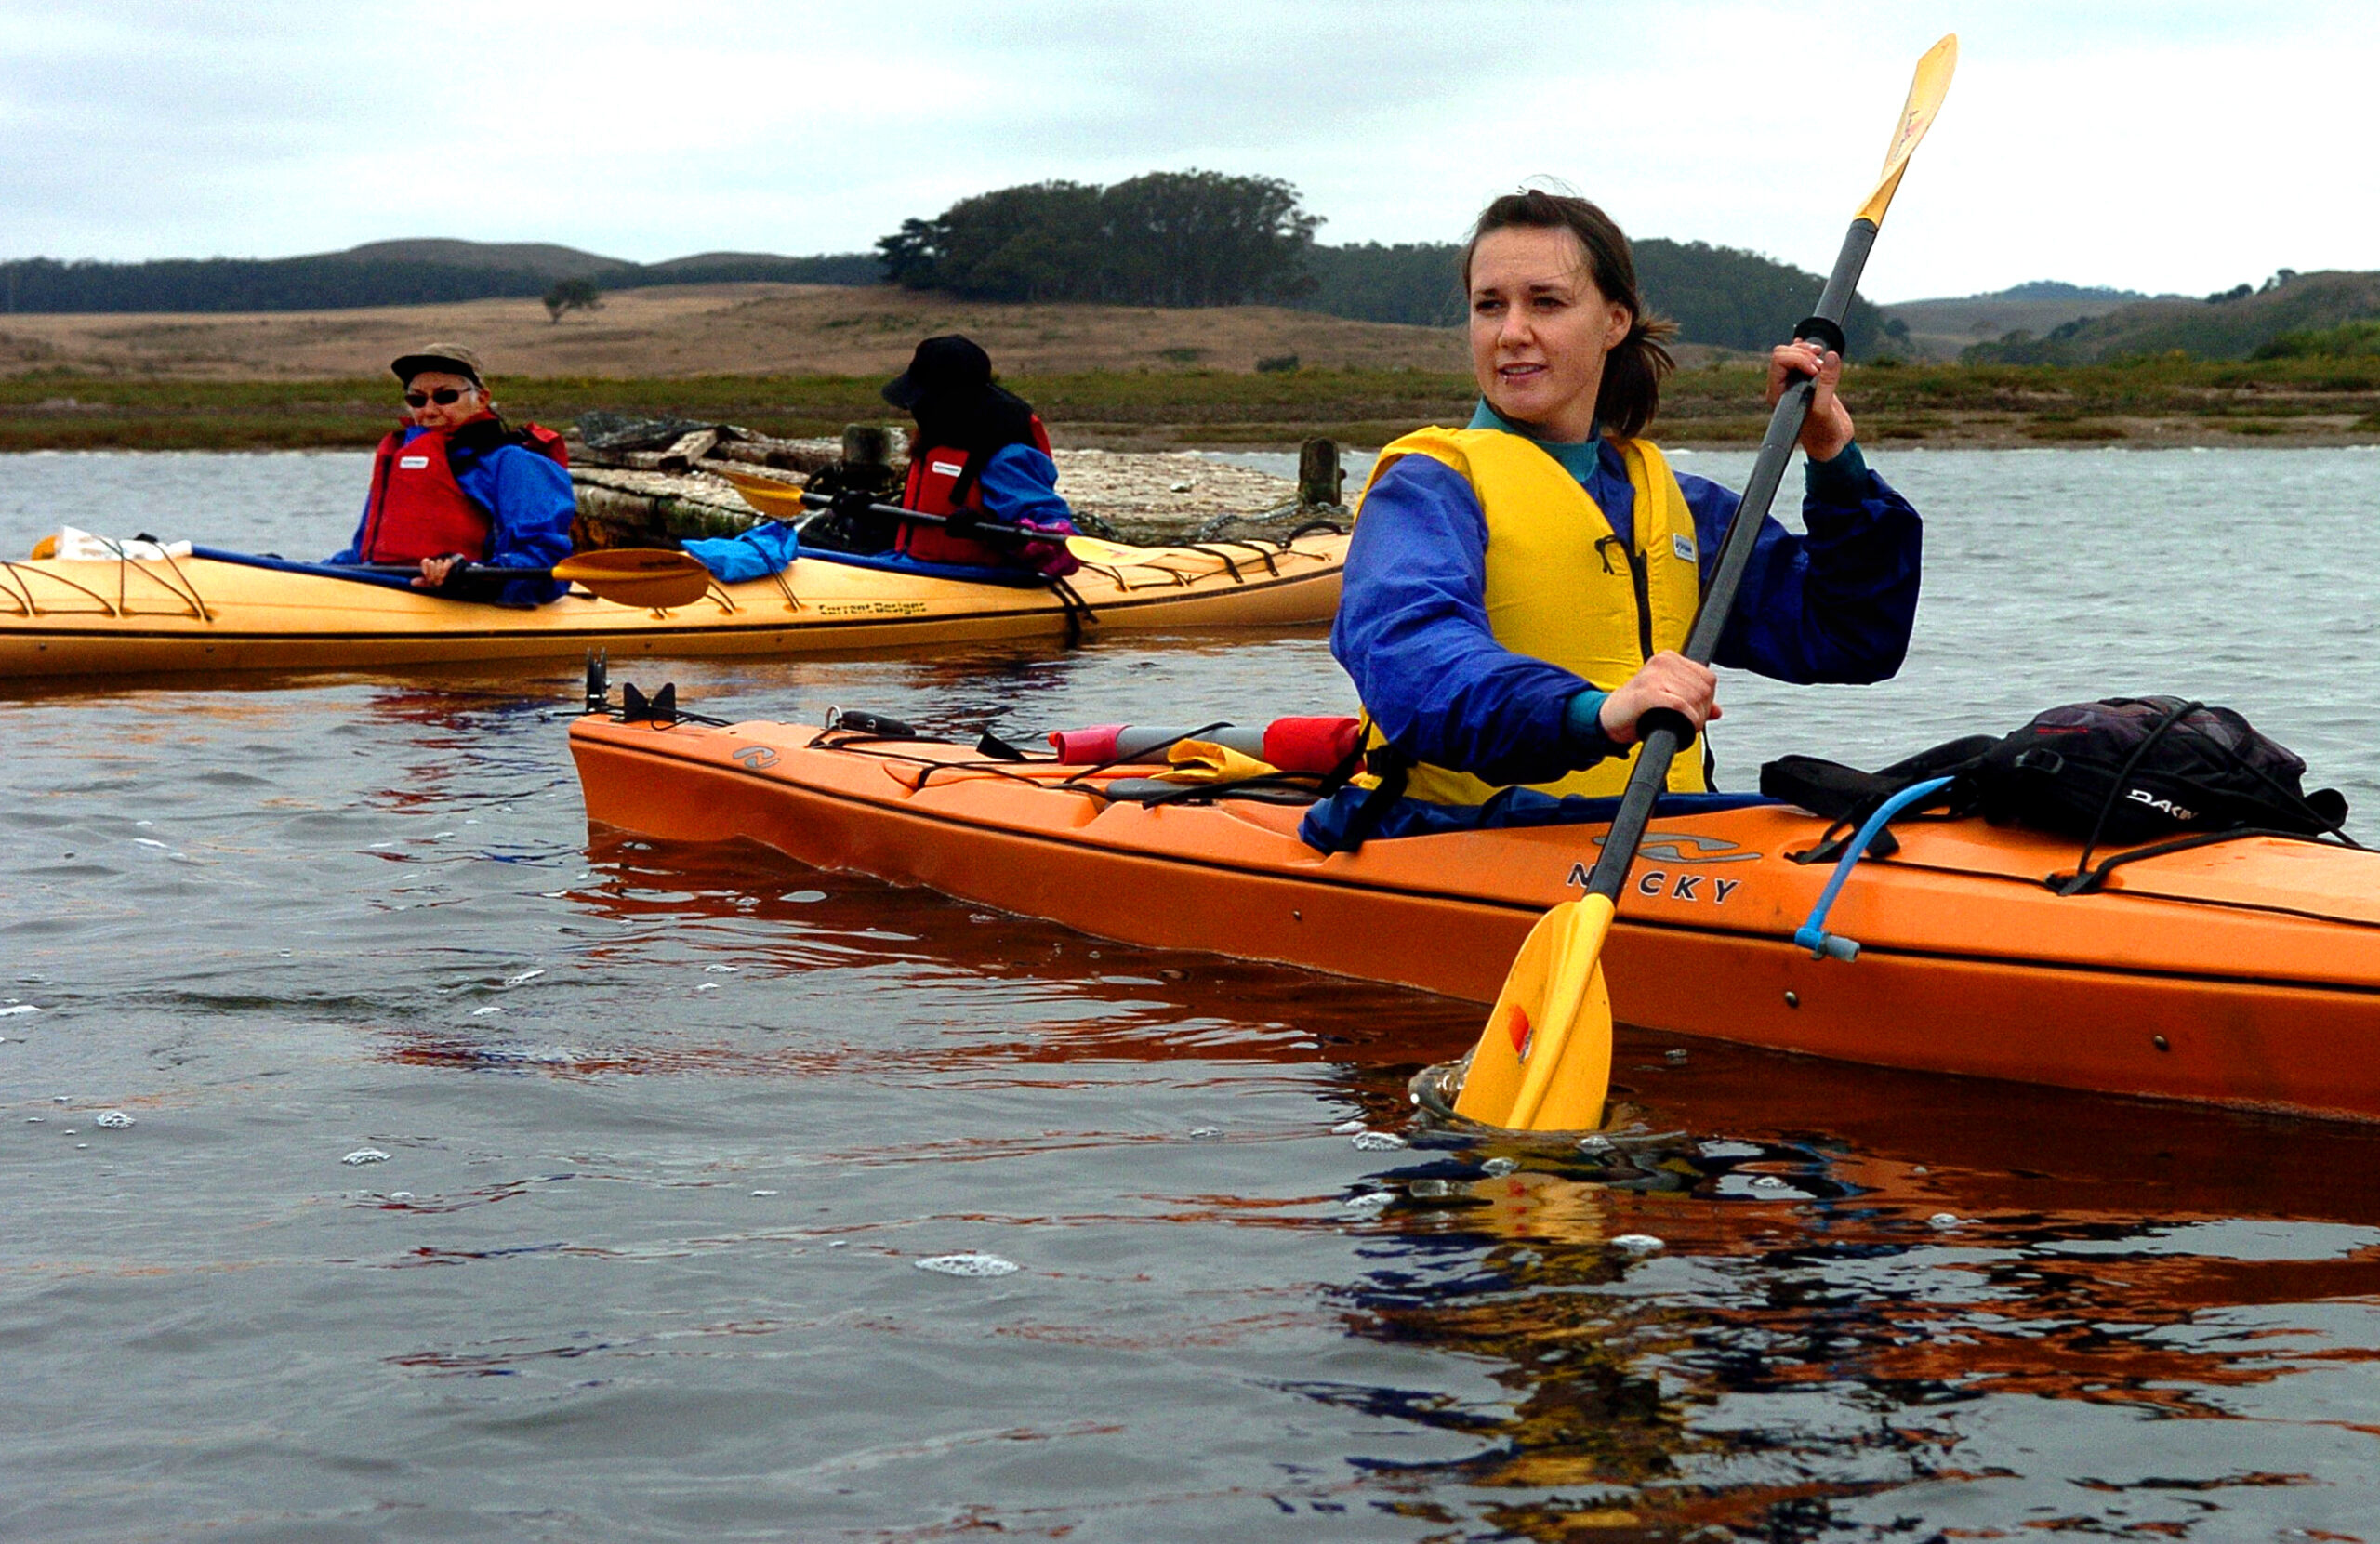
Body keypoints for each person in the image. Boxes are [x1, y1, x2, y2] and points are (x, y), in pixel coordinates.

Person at [1317, 189, 1922, 845]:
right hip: (1464, 839)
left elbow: (1850, 635)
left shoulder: (1673, 503)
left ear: (1614, 322)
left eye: (1545, 302)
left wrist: (1832, 454)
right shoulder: (1428, 489)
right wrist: (1593, 714)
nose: (1512, 331)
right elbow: (1411, 658)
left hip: (1664, 844)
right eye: (1490, 305)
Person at [330, 343, 576, 604]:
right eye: (417, 400)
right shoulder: (401, 461)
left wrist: (469, 576)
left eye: (445, 397)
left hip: (473, 601)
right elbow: (362, 555)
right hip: (388, 591)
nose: (429, 410)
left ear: (481, 398)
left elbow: (544, 557)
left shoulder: (516, 464)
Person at [819, 334, 1077, 576]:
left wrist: (993, 533)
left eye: (919, 402)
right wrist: (872, 511)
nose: (913, 410)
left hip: (977, 579)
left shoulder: (1005, 455)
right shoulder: (940, 440)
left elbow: (1061, 542)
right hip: (915, 568)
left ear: (946, 401)